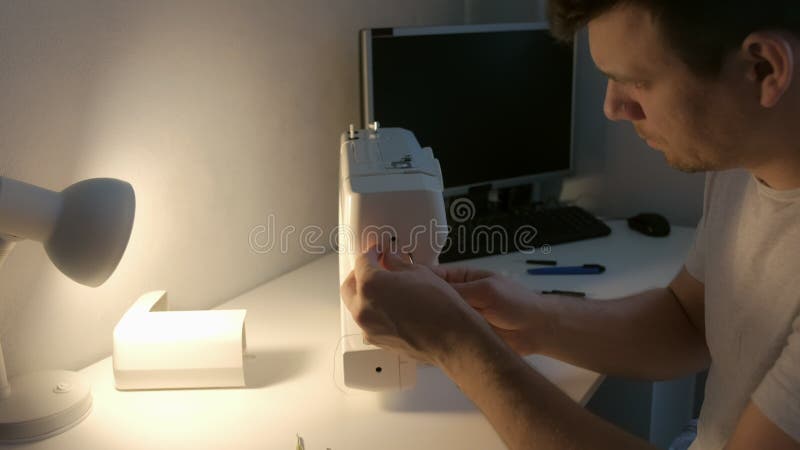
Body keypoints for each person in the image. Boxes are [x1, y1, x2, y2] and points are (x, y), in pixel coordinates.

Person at [340, 1, 800, 448]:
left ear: (763, 69)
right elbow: (688, 321)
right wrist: (531, 318)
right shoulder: (740, 164)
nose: (613, 107)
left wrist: (458, 345)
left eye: (636, 81)